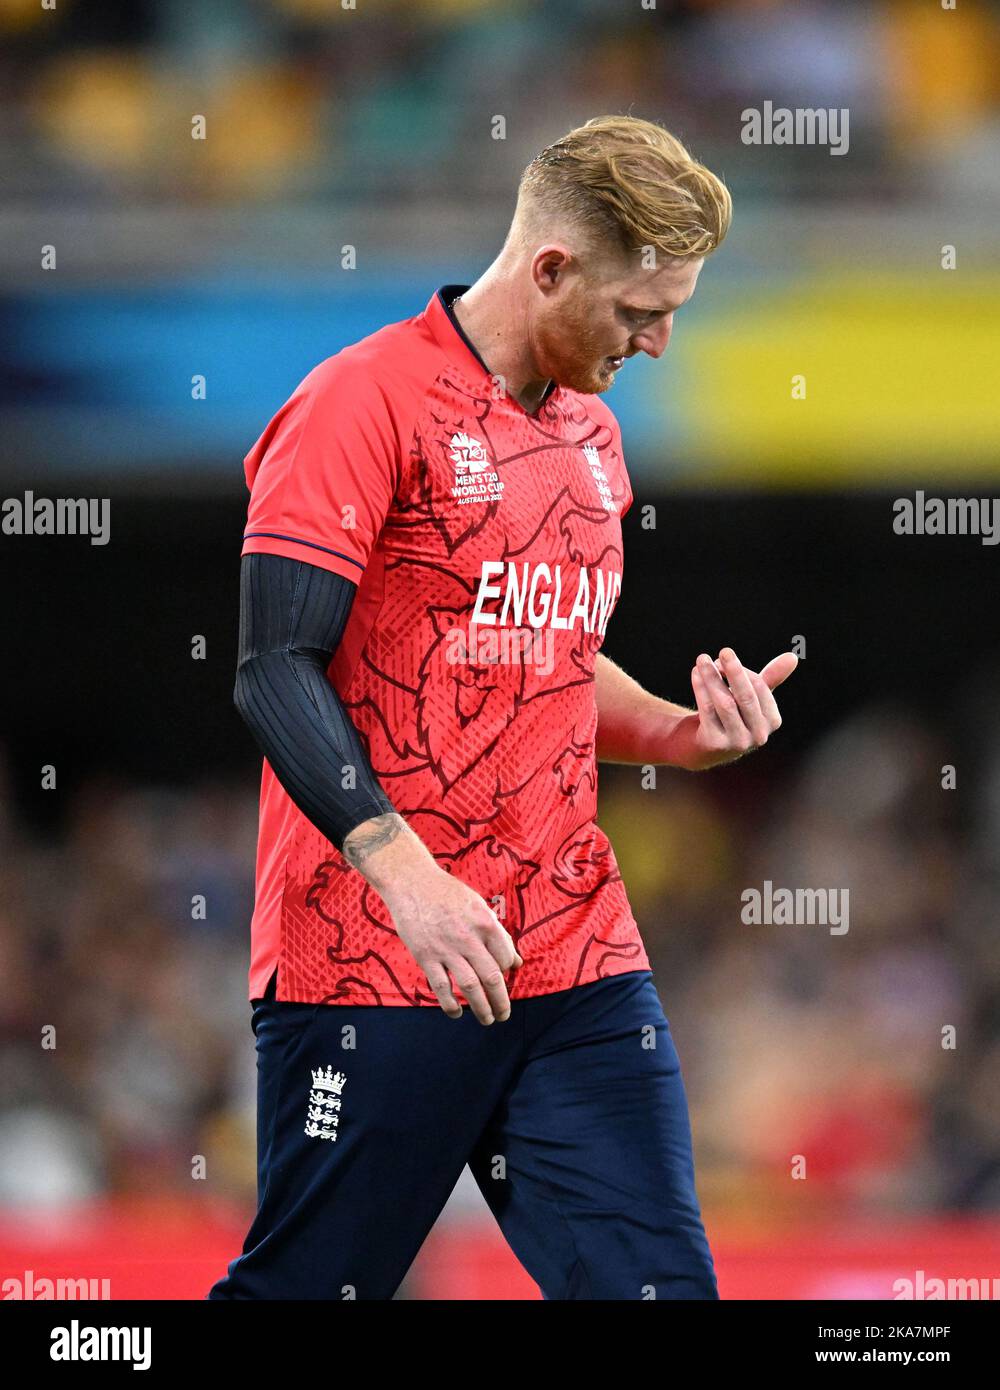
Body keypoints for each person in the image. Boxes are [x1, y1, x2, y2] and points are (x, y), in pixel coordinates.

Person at [207, 114, 796, 1302]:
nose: (662, 341)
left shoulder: (595, 435)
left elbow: (551, 664)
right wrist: (408, 878)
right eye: (641, 311)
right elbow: (273, 667)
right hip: (375, 960)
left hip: (574, 957)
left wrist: (684, 735)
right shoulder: (357, 404)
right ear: (550, 269)